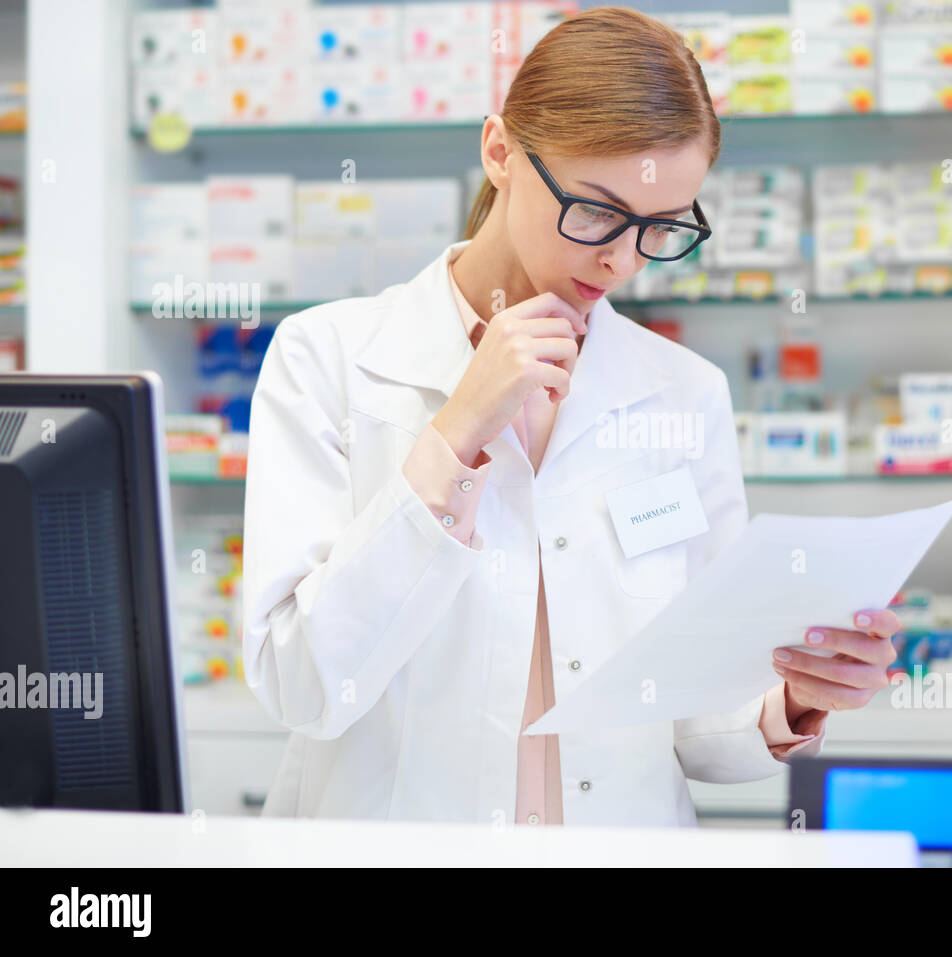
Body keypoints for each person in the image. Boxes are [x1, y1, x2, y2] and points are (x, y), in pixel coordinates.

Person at [241, 6, 900, 827]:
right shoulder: (329, 358)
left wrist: (792, 696)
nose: (622, 259)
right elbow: (299, 683)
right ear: (500, 152)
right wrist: (457, 433)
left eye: (659, 227)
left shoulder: (682, 392)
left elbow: (697, 723)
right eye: (595, 211)